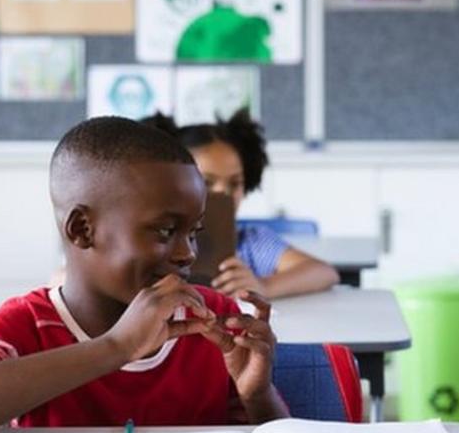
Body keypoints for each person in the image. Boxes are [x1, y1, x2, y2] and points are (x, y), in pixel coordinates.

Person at [0, 116, 288, 433]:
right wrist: (116, 347)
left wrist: (258, 394)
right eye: (165, 231)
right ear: (82, 230)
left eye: (193, 233)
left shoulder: (212, 317)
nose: (187, 253)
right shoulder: (28, 327)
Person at [140, 109, 340, 299]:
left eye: (235, 183)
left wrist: (263, 286)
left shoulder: (250, 242)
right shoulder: (154, 242)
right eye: (206, 182)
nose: (224, 193)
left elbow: (324, 272)